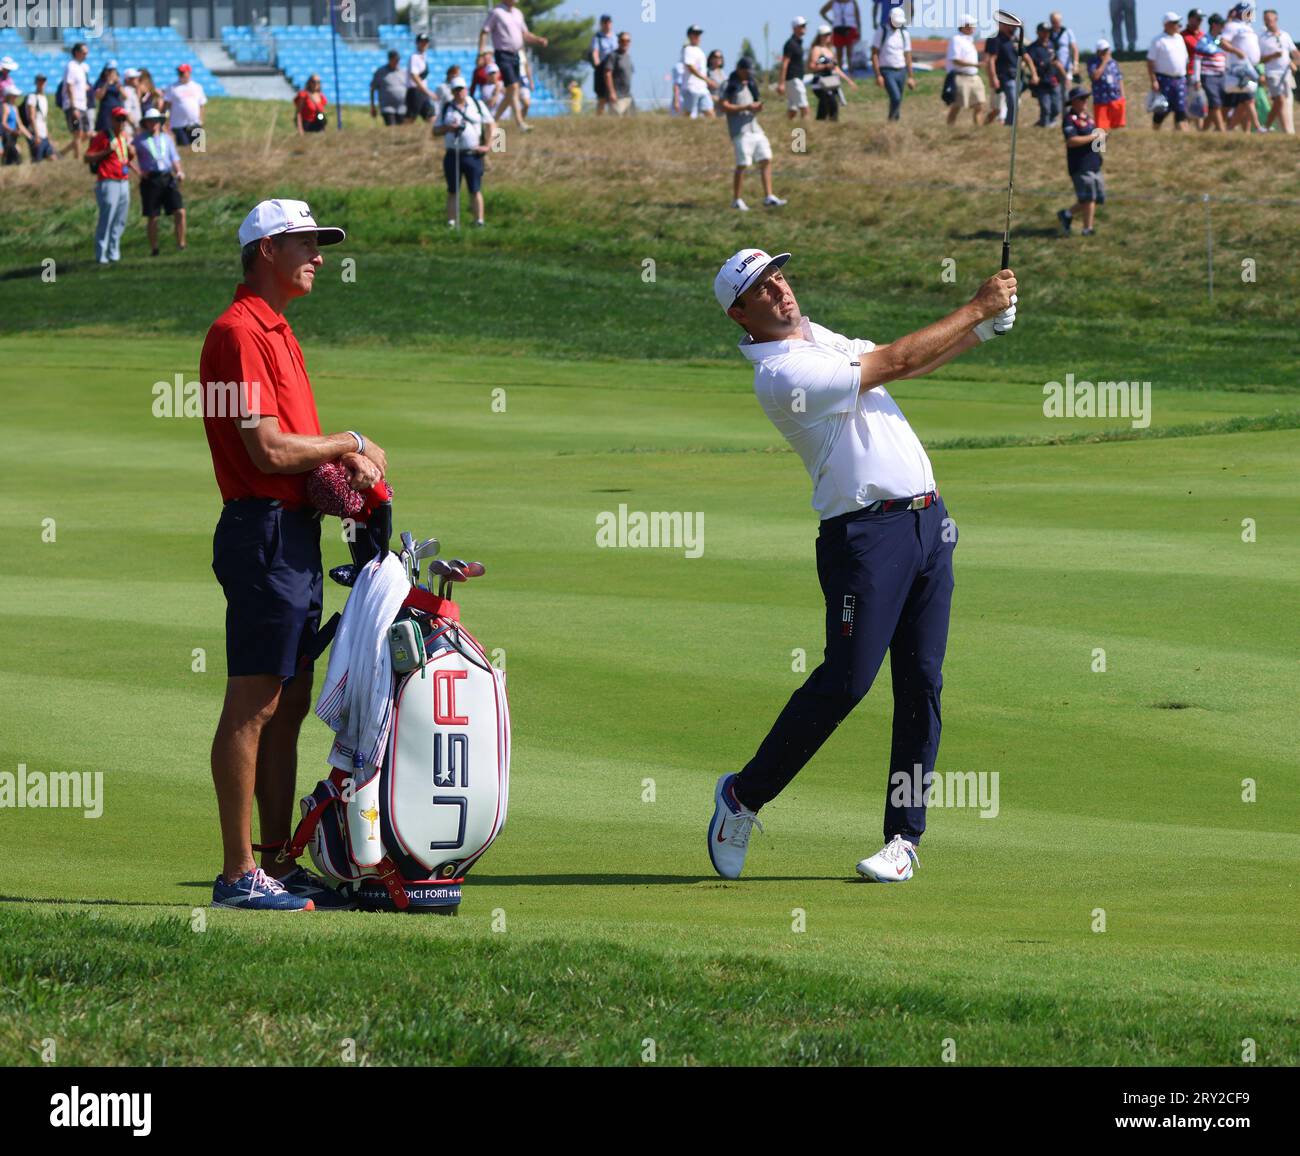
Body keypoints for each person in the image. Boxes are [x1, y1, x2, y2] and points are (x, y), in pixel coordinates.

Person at [706, 247, 1017, 883]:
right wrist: (976, 306)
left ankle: (903, 839)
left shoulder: (821, 338)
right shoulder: (782, 375)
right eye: (762, 290)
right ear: (740, 314)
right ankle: (742, 797)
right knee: (847, 682)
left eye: (780, 278)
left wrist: (981, 331)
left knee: (921, 683)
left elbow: (907, 367)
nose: (781, 292)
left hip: (930, 523)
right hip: (865, 538)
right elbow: (895, 359)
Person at [201, 197, 387, 912]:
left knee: (290, 704)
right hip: (261, 535)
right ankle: (237, 872)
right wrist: (350, 444)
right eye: (306, 244)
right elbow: (268, 448)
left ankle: (277, 861)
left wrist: (349, 480)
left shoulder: (278, 331)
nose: (319, 256)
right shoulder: (239, 332)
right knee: (255, 703)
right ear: (265, 250)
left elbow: (297, 458)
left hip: (292, 533)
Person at [720, 57, 787, 211]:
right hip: (740, 131)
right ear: (739, 69)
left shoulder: (750, 83)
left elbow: (754, 102)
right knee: (742, 164)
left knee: (766, 158)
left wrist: (756, 107)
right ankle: (736, 200)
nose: (749, 74)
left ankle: (769, 196)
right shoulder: (729, 84)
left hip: (755, 128)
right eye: (747, 71)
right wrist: (746, 107)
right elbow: (724, 106)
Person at [434, 75, 495, 228]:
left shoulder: (477, 105)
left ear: (466, 89)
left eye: (461, 89)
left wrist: (489, 146)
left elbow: (493, 125)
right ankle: (451, 222)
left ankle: (479, 221)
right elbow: (435, 131)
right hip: (452, 154)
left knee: (475, 189)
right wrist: (448, 128)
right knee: (452, 190)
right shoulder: (446, 108)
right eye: (456, 90)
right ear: (452, 92)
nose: (459, 93)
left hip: (472, 154)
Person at [478, 0, 548, 133]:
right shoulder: (497, 13)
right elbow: (484, 31)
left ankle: (518, 122)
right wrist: (481, 52)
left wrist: (538, 40)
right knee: (513, 87)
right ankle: (495, 119)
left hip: (516, 55)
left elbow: (525, 34)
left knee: (513, 91)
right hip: (503, 54)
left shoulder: (518, 13)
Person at [87, 107, 135, 264]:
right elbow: (88, 157)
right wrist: (107, 151)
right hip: (108, 180)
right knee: (107, 218)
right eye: (118, 119)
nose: (121, 123)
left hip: (123, 180)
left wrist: (131, 152)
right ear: (112, 120)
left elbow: (126, 159)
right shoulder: (103, 136)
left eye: (123, 120)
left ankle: (114, 253)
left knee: (120, 219)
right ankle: (101, 255)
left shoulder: (124, 137)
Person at [135, 107, 186, 256]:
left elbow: (174, 158)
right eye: (151, 122)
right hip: (151, 179)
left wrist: (179, 171)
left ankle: (181, 244)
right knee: (153, 215)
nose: (154, 124)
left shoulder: (166, 138)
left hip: (167, 177)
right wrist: (138, 171)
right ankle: (154, 248)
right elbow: (129, 154)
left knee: (179, 211)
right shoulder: (139, 140)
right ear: (146, 123)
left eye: (156, 121)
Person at [1057, 86, 1104, 237]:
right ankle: (1087, 229)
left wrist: (1101, 140)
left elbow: (1096, 138)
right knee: (1089, 197)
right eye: (1082, 99)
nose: (1085, 101)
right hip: (1080, 164)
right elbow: (1071, 141)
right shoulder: (1069, 120)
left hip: (1094, 161)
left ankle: (1067, 214)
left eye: (1086, 98)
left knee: (1096, 197)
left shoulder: (1088, 118)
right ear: (1074, 102)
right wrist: (1093, 137)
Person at [1220, 3, 1263, 130]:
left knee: (1245, 102)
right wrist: (1236, 51)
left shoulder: (1248, 28)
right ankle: (1257, 127)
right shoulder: (1232, 26)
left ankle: (1230, 128)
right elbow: (1222, 42)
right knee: (1248, 100)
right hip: (1239, 69)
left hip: (1250, 68)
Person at [871, 7, 915, 121]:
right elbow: (875, 54)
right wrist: (878, 75)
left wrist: (911, 76)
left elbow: (908, 55)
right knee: (895, 97)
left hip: (901, 70)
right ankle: (891, 121)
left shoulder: (904, 34)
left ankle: (895, 122)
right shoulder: (882, 31)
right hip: (887, 70)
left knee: (898, 99)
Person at [1148, 12, 1190, 131]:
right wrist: (1154, 80)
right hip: (1165, 79)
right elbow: (1150, 61)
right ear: (1167, 24)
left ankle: (1181, 131)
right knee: (1162, 109)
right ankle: (1155, 130)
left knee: (1180, 108)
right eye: (1175, 23)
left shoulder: (1179, 38)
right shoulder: (1158, 40)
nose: (1178, 25)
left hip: (1180, 79)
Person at [1260, 8, 1297, 132]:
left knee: (1285, 102)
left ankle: (1275, 129)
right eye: (1265, 20)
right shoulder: (1262, 39)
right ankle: (1283, 130)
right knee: (1280, 100)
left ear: (1275, 20)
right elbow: (1260, 59)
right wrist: (1273, 56)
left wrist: (1294, 62)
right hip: (1272, 74)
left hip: (1286, 74)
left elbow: (1295, 52)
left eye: (1269, 20)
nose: (1267, 22)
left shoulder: (1285, 35)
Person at [945, 14, 986, 127]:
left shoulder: (970, 40)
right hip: (961, 77)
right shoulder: (956, 39)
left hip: (974, 76)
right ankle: (950, 127)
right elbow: (955, 60)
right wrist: (975, 64)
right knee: (956, 106)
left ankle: (978, 129)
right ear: (963, 26)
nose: (973, 27)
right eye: (970, 25)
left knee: (980, 104)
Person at [810, 24, 856, 120]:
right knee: (828, 102)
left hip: (830, 83)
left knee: (831, 105)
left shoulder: (830, 50)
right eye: (825, 34)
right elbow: (812, 66)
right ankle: (823, 123)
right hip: (820, 83)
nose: (828, 37)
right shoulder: (816, 49)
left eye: (829, 34)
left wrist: (849, 81)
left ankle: (830, 124)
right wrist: (826, 66)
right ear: (820, 36)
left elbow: (836, 69)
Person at [985, 13, 1023, 126]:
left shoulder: (1014, 39)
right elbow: (991, 60)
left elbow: (1024, 56)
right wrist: (993, 78)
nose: (1014, 28)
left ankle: (1008, 123)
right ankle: (1008, 124)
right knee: (1002, 105)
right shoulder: (995, 39)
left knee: (1011, 103)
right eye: (1012, 26)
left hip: (1015, 76)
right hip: (1003, 76)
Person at [1026, 21, 1066, 127]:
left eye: (1048, 32)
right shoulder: (1032, 48)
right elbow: (1029, 63)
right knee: (1046, 108)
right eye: (1043, 32)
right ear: (1038, 32)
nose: (1046, 34)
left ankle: (1045, 123)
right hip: (1041, 82)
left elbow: (1057, 60)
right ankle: (1044, 126)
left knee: (1057, 108)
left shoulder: (1052, 45)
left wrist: (1064, 76)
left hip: (1053, 81)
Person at [1193, 14, 1229, 130]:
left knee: (1222, 104)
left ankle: (1204, 131)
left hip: (1221, 75)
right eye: (1221, 24)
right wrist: (1197, 79)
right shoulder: (1203, 41)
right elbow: (1197, 61)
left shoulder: (1220, 40)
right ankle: (1221, 130)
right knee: (1215, 104)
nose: (1223, 27)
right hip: (1208, 76)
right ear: (1214, 25)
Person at [61, 41, 91, 160]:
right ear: (77, 53)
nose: (86, 55)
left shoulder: (81, 67)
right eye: (84, 53)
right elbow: (69, 86)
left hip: (82, 104)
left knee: (86, 133)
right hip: (74, 104)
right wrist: (73, 107)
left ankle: (63, 152)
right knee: (77, 132)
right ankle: (77, 158)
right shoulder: (71, 66)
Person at [164, 63, 206, 147]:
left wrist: (201, 120)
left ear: (189, 73)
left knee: (199, 147)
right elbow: (167, 105)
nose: (181, 75)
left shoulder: (197, 87)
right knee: (183, 147)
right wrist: (167, 121)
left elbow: (201, 105)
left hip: (195, 123)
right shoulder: (172, 87)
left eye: (183, 72)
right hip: (178, 124)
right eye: (180, 73)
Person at [1089, 38, 1127, 128]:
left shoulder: (1114, 63)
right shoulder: (1093, 62)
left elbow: (1119, 78)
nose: (1106, 53)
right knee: (1102, 126)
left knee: (1117, 124)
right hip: (1101, 98)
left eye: (1107, 50)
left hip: (1115, 97)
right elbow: (1095, 76)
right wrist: (1104, 62)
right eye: (1103, 51)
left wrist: (1123, 95)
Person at [778, 17, 811, 121]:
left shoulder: (798, 43)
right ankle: (806, 131)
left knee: (793, 110)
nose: (805, 28)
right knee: (805, 108)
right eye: (802, 26)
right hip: (793, 79)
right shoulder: (790, 44)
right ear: (795, 28)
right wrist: (781, 83)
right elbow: (785, 63)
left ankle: (784, 128)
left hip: (796, 79)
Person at [681, 24, 716, 118]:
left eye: (698, 34)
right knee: (687, 113)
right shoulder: (688, 49)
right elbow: (691, 68)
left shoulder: (699, 50)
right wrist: (707, 80)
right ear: (689, 36)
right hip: (691, 87)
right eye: (695, 34)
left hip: (702, 87)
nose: (697, 36)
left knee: (709, 112)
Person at [820, 0, 862, 70]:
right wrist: (830, 21)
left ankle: (851, 72)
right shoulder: (833, 2)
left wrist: (859, 31)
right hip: (837, 28)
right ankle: (840, 72)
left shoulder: (853, 2)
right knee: (839, 54)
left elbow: (858, 17)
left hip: (850, 27)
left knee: (850, 53)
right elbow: (822, 12)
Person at [370, 50, 408, 125]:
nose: (397, 62)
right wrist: (373, 106)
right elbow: (372, 89)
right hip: (387, 108)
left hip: (402, 108)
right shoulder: (380, 72)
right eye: (395, 60)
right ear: (390, 59)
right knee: (392, 129)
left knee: (402, 129)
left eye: (398, 60)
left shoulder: (404, 72)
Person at [589, 13, 617, 115]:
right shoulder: (597, 37)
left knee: (614, 95)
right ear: (601, 24)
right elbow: (595, 51)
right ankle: (599, 117)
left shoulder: (615, 37)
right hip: (603, 68)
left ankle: (614, 115)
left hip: (614, 69)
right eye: (605, 22)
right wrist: (597, 63)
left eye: (609, 22)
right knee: (602, 96)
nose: (607, 24)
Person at [24, 74, 55, 161]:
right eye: (40, 81)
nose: (42, 83)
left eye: (43, 81)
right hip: (36, 133)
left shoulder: (44, 98)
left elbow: (43, 119)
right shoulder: (32, 97)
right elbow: (32, 117)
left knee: (52, 157)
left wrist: (48, 135)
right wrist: (36, 135)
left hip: (44, 133)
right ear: (36, 83)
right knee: (37, 160)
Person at [604, 31, 635, 116]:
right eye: (623, 40)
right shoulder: (613, 56)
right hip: (617, 97)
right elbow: (607, 74)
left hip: (627, 96)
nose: (625, 43)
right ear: (618, 42)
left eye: (628, 41)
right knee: (615, 124)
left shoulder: (628, 57)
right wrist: (611, 92)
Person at [405, 33, 435, 122]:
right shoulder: (414, 57)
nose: (424, 44)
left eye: (426, 42)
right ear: (417, 43)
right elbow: (414, 76)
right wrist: (427, 91)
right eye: (421, 42)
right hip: (415, 92)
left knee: (431, 117)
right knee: (410, 119)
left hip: (422, 92)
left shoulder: (423, 57)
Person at [93, 65, 124, 136]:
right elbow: (99, 96)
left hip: (117, 110)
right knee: (103, 131)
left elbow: (125, 96)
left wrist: (118, 84)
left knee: (117, 129)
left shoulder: (117, 84)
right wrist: (107, 83)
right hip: (106, 111)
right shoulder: (101, 82)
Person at [1049, 11, 1079, 83]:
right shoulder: (1048, 33)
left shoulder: (1067, 32)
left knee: (1066, 88)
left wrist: (1075, 63)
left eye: (1057, 21)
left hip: (1066, 65)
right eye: (1053, 22)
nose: (1055, 24)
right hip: (1053, 66)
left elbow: (1075, 48)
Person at [1, 89, 29, 165]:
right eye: (14, 96)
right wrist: (13, 131)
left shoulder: (14, 108)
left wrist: (29, 136)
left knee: (15, 156)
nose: (16, 97)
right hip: (7, 136)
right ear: (9, 96)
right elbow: (3, 123)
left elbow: (19, 124)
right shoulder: (5, 106)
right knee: (14, 155)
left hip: (13, 136)